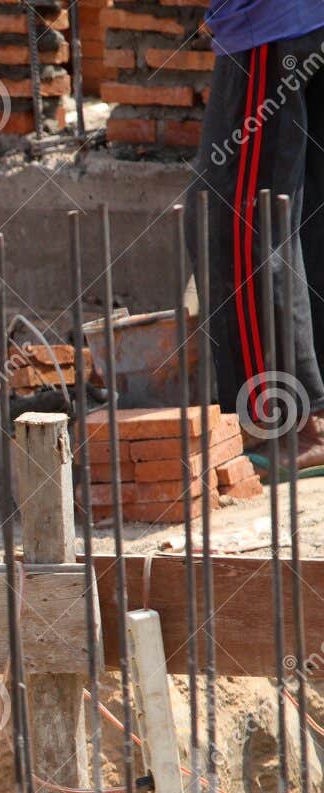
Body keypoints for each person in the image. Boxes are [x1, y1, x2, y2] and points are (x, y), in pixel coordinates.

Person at [188, 1, 324, 471]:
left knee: (238, 220)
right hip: (303, 22)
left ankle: (290, 422)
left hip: (270, 28)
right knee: (302, 215)